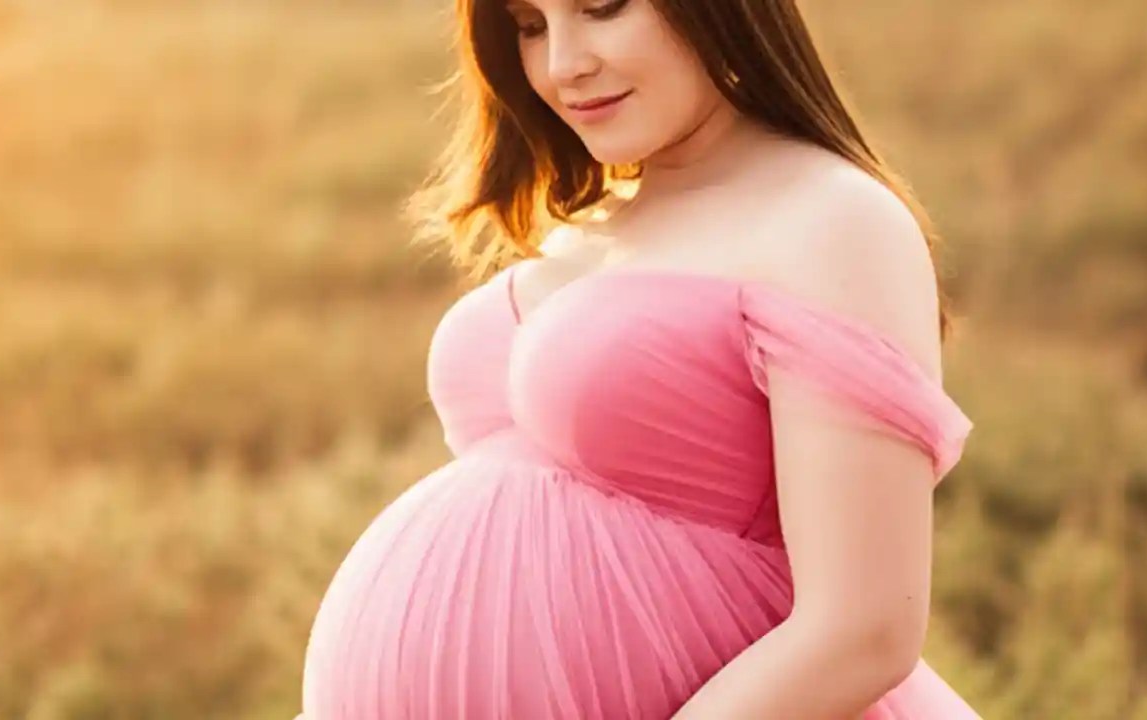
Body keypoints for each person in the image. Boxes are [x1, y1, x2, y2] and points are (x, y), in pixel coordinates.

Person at [299, 0, 981, 717]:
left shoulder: (830, 218)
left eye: (601, 8)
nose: (564, 65)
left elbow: (863, 630)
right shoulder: (579, 232)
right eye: (531, 26)